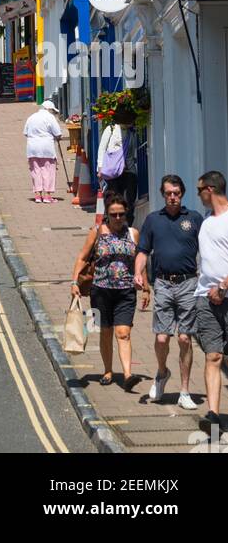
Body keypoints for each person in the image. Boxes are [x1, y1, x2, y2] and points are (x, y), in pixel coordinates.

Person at [133, 174, 202, 410]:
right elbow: (143, 251)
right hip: (162, 283)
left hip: (188, 284)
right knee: (162, 337)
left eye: (176, 193)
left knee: (184, 338)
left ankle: (184, 391)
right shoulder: (153, 220)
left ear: (182, 194)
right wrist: (138, 273)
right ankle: (162, 373)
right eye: (168, 193)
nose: (172, 197)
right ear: (163, 195)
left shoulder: (194, 219)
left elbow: (208, 249)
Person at [72, 193, 145, 391]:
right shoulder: (96, 232)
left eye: (121, 214)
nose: (118, 218)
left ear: (126, 212)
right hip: (100, 291)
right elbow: (81, 258)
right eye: (114, 215)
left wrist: (145, 287)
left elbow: (139, 260)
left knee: (123, 333)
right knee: (105, 332)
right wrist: (74, 282)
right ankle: (108, 370)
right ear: (107, 214)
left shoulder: (133, 234)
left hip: (126, 292)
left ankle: (128, 375)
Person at [194, 170, 228, 436]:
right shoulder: (207, 221)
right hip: (205, 297)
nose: (198, 195)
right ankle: (213, 414)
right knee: (213, 355)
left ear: (210, 189)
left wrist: (223, 288)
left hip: (224, 294)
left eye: (199, 190)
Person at [23, 100, 65, 204]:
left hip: (32, 147)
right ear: (49, 109)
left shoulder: (31, 117)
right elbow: (58, 133)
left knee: (36, 171)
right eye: (53, 111)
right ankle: (47, 196)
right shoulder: (50, 117)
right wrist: (58, 138)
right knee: (49, 170)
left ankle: (37, 195)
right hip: (46, 147)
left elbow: (25, 132)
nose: (53, 113)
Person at [97, 119, 138, 210]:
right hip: (114, 172)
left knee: (129, 201)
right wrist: (100, 168)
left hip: (129, 171)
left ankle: (127, 222)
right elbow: (102, 149)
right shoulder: (111, 129)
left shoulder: (132, 132)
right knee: (113, 200)